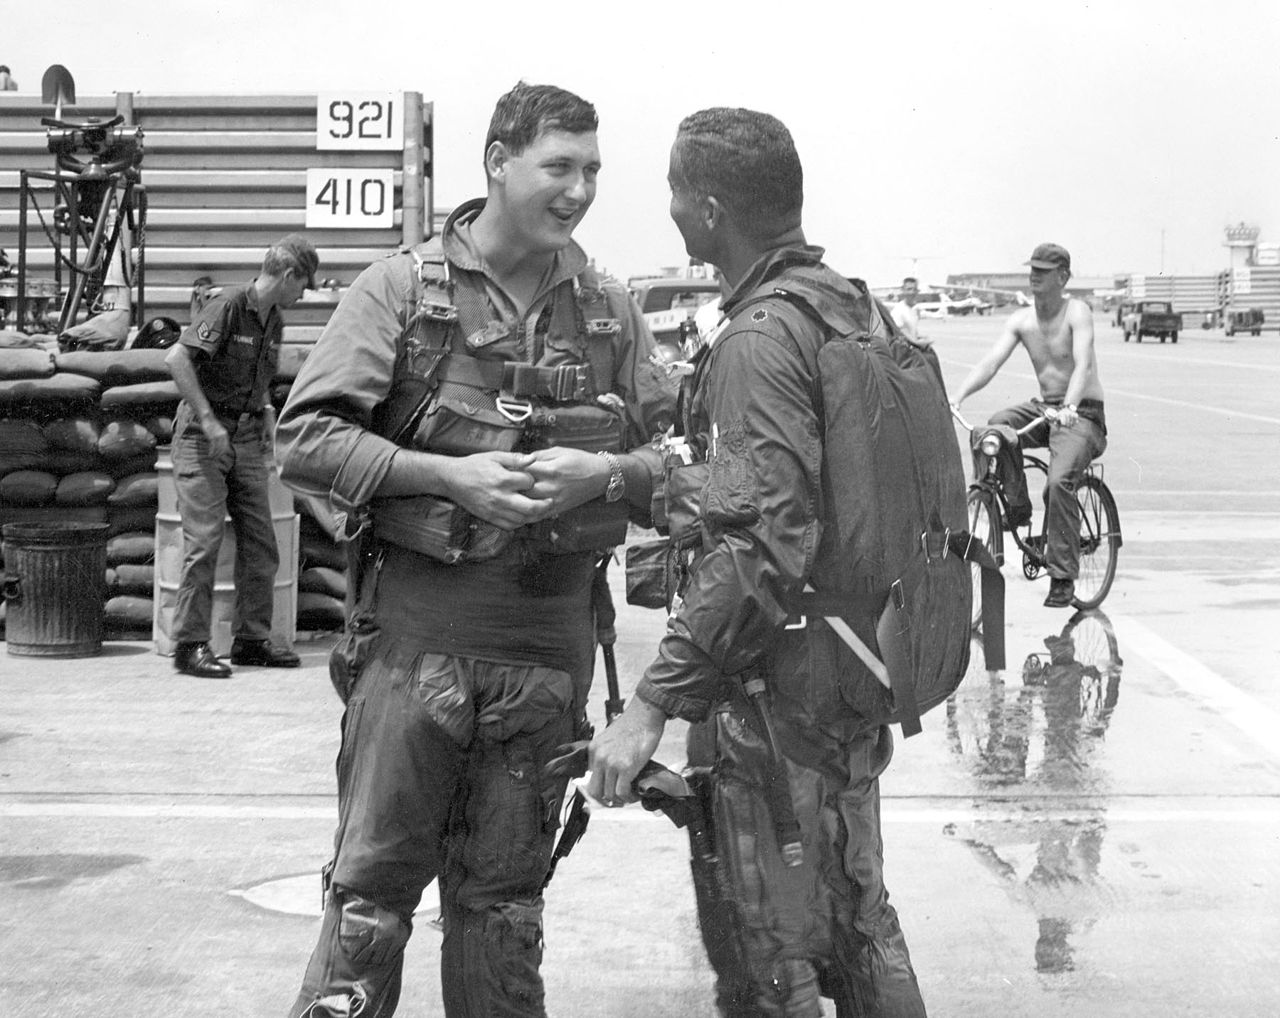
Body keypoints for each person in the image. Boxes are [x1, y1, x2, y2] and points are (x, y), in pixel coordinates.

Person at [275, 82, 675, 1018]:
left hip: (545, 665)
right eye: (558, 166)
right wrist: (446, 477)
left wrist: (605, 475)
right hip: (414, 653)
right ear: (498, 161)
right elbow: (306, 440)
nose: (578, 190)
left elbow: (686, 459)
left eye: (592, 170)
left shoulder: (611, 311)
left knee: (503, 920)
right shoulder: (403, 292)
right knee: (369, 907)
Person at [588, 107, 927, 1018]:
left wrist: (651, 705)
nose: (668, 212)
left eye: (670, 194)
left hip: (778, 704)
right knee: (861, 922)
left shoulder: (755, 341)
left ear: (704, 211)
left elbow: (756, 543)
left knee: (771, 954)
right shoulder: (852, 308)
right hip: (856, 672)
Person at [164, 233, 318, 678]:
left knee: (262, 543)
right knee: (204, 542)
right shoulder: (229, 305)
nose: (303, 295)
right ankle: (189, 645)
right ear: (289, 275)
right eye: (302, 284)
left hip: (247, 436)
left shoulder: (274, 321)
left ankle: (252, 640)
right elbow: (177, 359)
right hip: (202, 436)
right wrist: (210, 422)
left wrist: (268, 409)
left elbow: (260, 375)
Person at [950, 243, 1107, 608]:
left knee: (1058, 482)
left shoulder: (1077, 312)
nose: (1034, 275)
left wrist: (1069, 406)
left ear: (1063, 277)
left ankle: (1063, 577)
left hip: (1082, 413)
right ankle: (1017, 508)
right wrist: (956, 397)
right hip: (1046, 408)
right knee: (996, 428)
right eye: (1032, 269)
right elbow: (989, 364)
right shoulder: (1022, 320)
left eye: (1043, 270)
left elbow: (1082, 364)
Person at [890, 275, 928, 348]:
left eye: (914, 289)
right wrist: (916, 342)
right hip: (902, 350)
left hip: (912, 346)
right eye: (909, 289)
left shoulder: (916, 309)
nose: (912, 292)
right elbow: (902, 332)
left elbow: (911, 331)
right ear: (903, 290)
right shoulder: (898, 310)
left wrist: (920, 337)